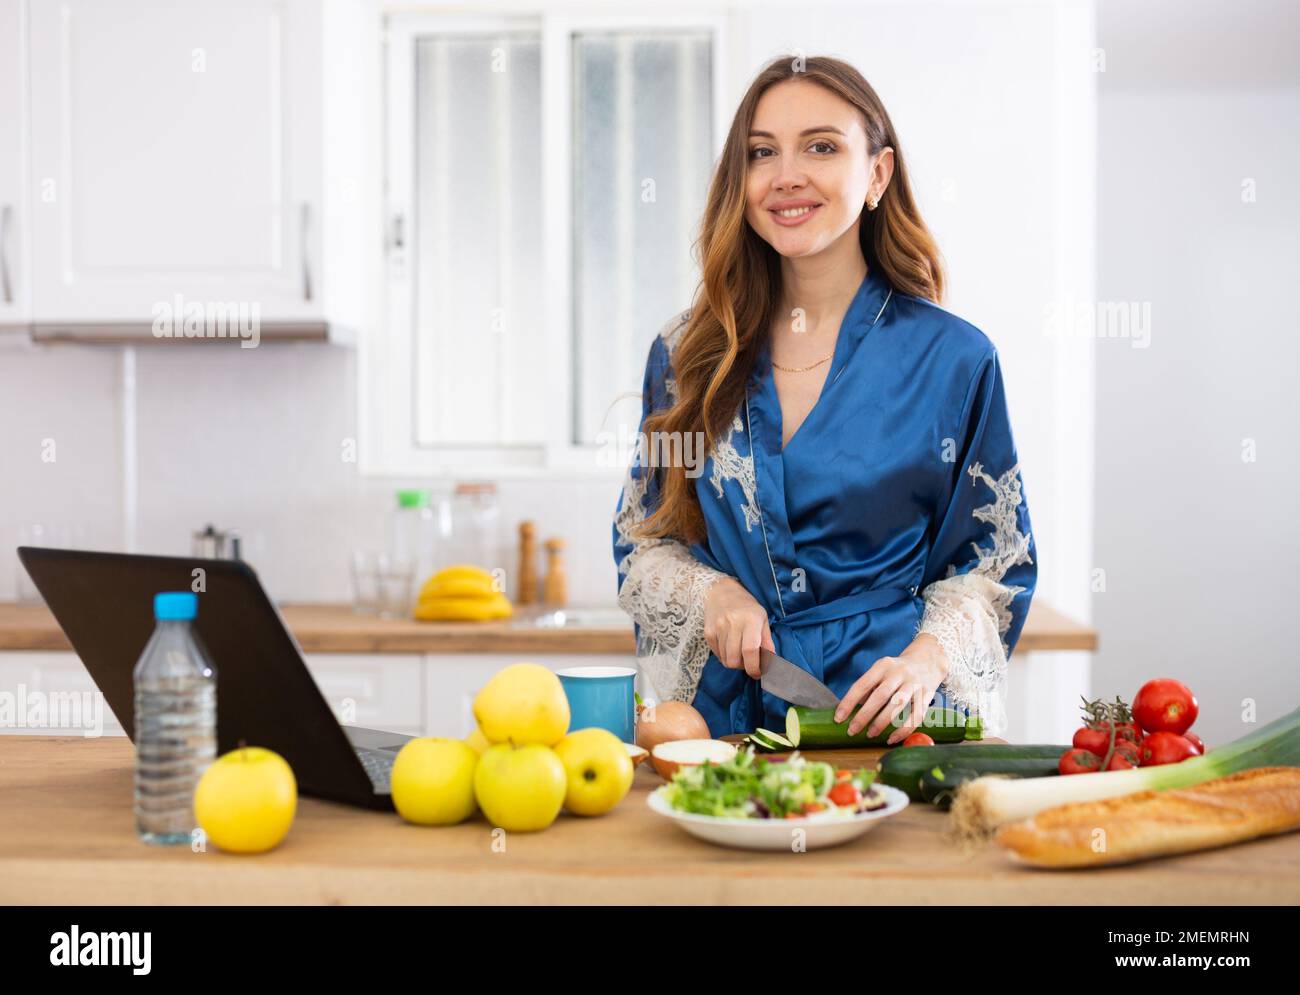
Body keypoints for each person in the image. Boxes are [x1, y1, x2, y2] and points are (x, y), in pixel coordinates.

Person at [612, 55, 1035, 742]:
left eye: (822, 146)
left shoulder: (956, 359)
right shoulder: (686, 355)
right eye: (761, 152)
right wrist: (712, 592)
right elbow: (645, 540)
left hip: (890, 723)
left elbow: (993, 564)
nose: (786, 175)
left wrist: (925, 663)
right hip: (722, 731)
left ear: (877, 175)